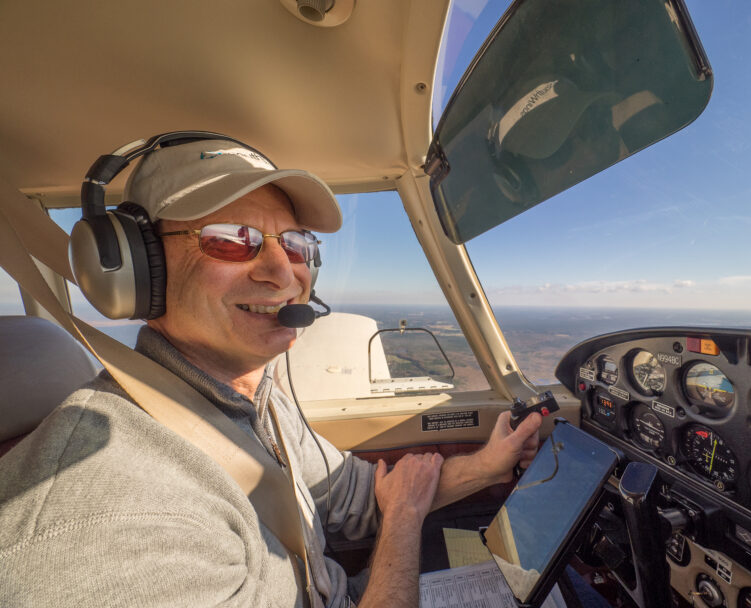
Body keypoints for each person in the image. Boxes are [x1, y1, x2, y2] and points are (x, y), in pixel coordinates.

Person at [0, 137, 543, 607]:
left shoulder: (255, 398)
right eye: (232, 238)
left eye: (297, 243)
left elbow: (354, 496)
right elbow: (388, 507)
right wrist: (403, 520)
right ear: (140, 269)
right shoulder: (107, 524)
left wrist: (487, 466)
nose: (284, 271)